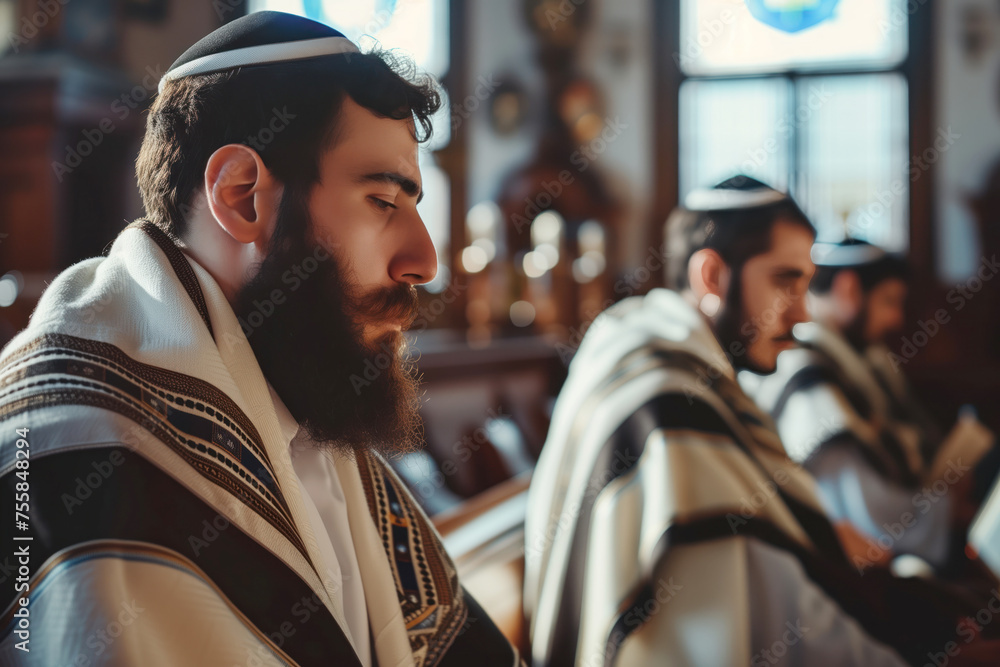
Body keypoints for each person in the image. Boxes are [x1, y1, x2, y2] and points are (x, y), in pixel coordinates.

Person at [0, 12, 520, 666]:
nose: (423, 259)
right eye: (384, 202)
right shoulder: (86, 461)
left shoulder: (299, 397)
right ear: (243, 196)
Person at [523, 177, 1000, 666]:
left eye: (806, 285)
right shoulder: (669, 404)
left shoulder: (646, 346)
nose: (800, 313)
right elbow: (764, 619)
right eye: (783, 281)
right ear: (711, 276)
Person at [742, 240, 995, 572]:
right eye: (890, 302)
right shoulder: (804, 369)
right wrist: (949, 509)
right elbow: (864, 513)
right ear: (849, 290)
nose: (896, 319)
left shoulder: (868, 359)